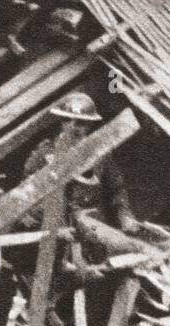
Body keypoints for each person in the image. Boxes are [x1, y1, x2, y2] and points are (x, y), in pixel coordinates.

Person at [24, 92, 139, 236]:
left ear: (90, 124)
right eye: (67, 120)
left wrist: (125, 217)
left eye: (80, 122)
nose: (73, 127)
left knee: (100, 237)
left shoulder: (100, 154)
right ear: (61, 121)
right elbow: (26, 190)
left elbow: (117, 190)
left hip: (89, 225)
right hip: (50, 228)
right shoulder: (44, 153)